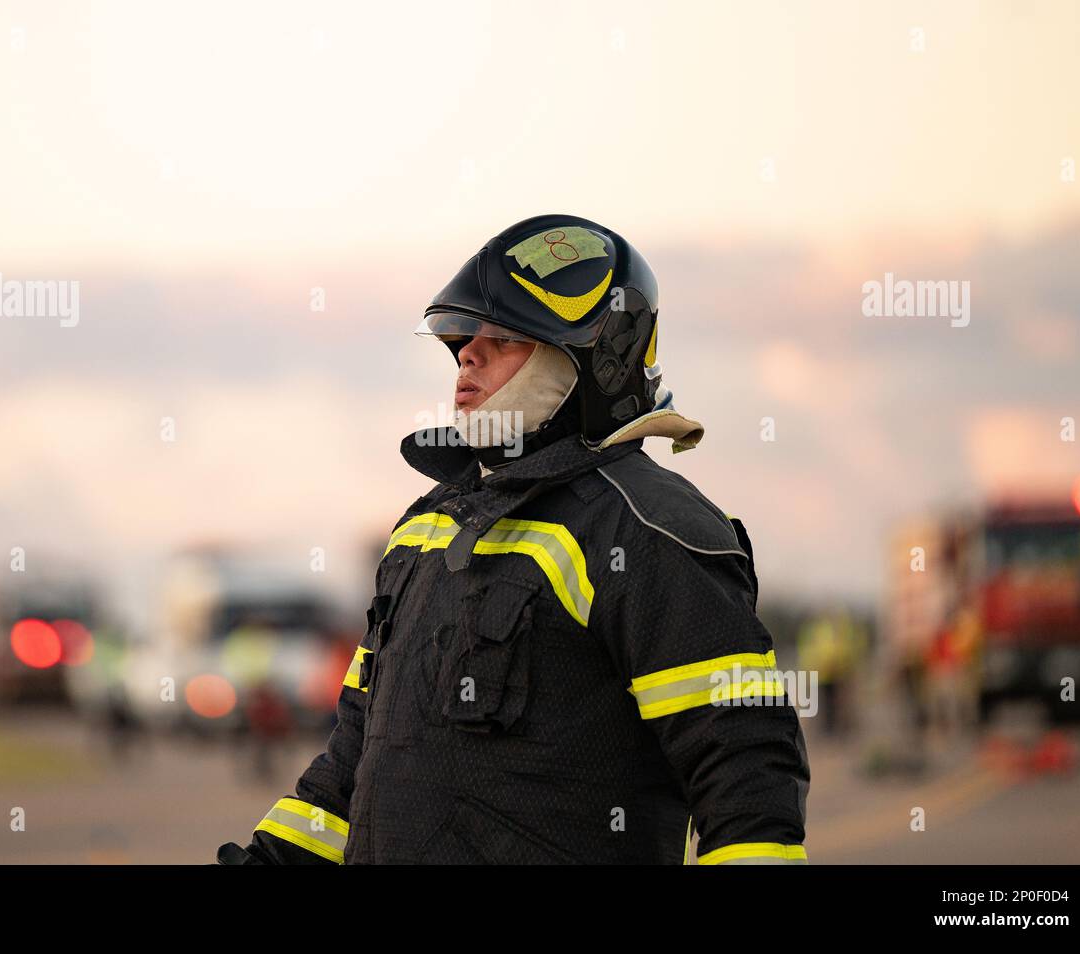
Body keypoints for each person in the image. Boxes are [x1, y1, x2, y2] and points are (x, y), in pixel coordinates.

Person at [218, 214, 811, 864]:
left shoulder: (651, 532)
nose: (467, 354)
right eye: (464, 338)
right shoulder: (424, 528)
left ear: (596, 361)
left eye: (501, 338)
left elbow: (745, 773)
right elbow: (351, 762)